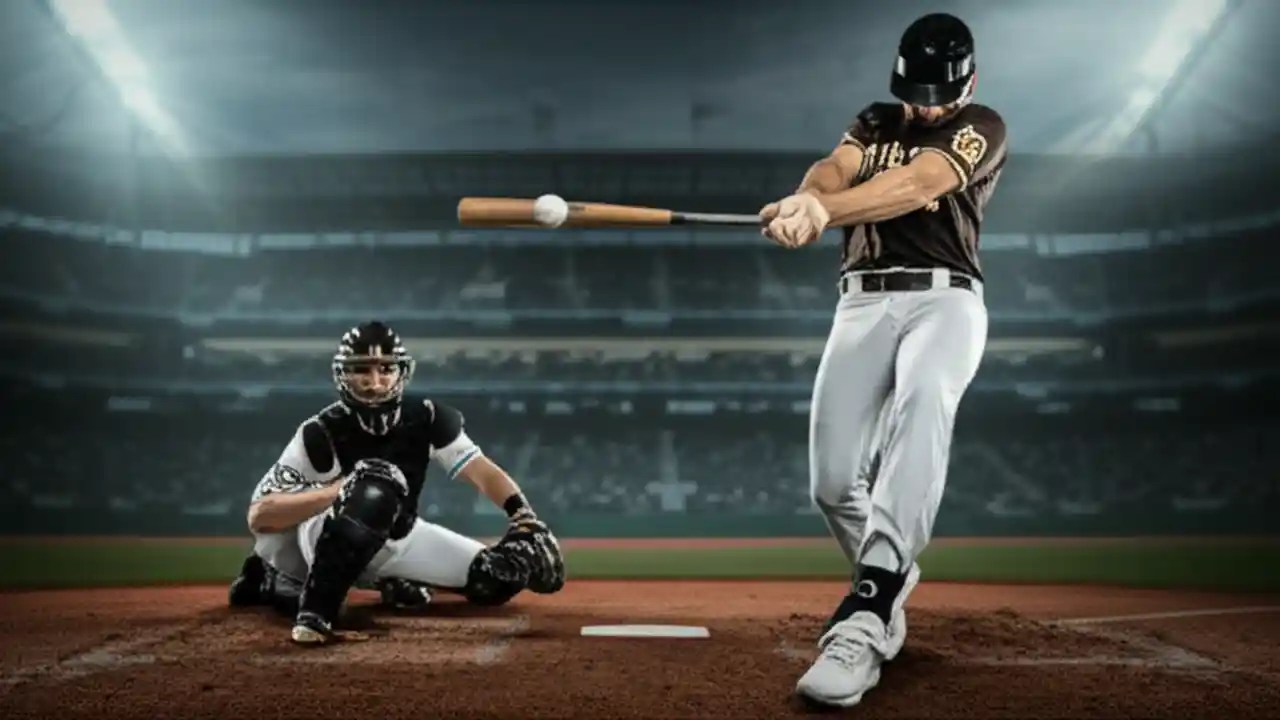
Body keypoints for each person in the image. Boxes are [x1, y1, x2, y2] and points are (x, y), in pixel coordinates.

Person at [758, 12, 1008, 708]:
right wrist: (808, 197)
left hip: (944, 301)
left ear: (968, 83)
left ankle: (867, 613)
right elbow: (833, 167)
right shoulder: (874, 120)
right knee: (833, 481)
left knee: (924, 400)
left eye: (937, 95)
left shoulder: (982, 124)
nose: (924, 107)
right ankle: (890, 575)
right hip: (861, 303)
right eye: (915, 94)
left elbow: (918, 184)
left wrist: (825, 215)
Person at [226, 320, 565, 644]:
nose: (375, 382)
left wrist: (522, 514)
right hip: (323, 540)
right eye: (362, 369)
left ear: (402, 371)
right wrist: (338, 491)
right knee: (372, 487)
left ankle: (392, 579)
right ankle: (311, 609)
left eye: (385, 369)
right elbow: (260, 515)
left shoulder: (427, 417)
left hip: (399, 536)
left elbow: (480, 470)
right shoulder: (319, 432)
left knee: (496, 580)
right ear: (343, 374)